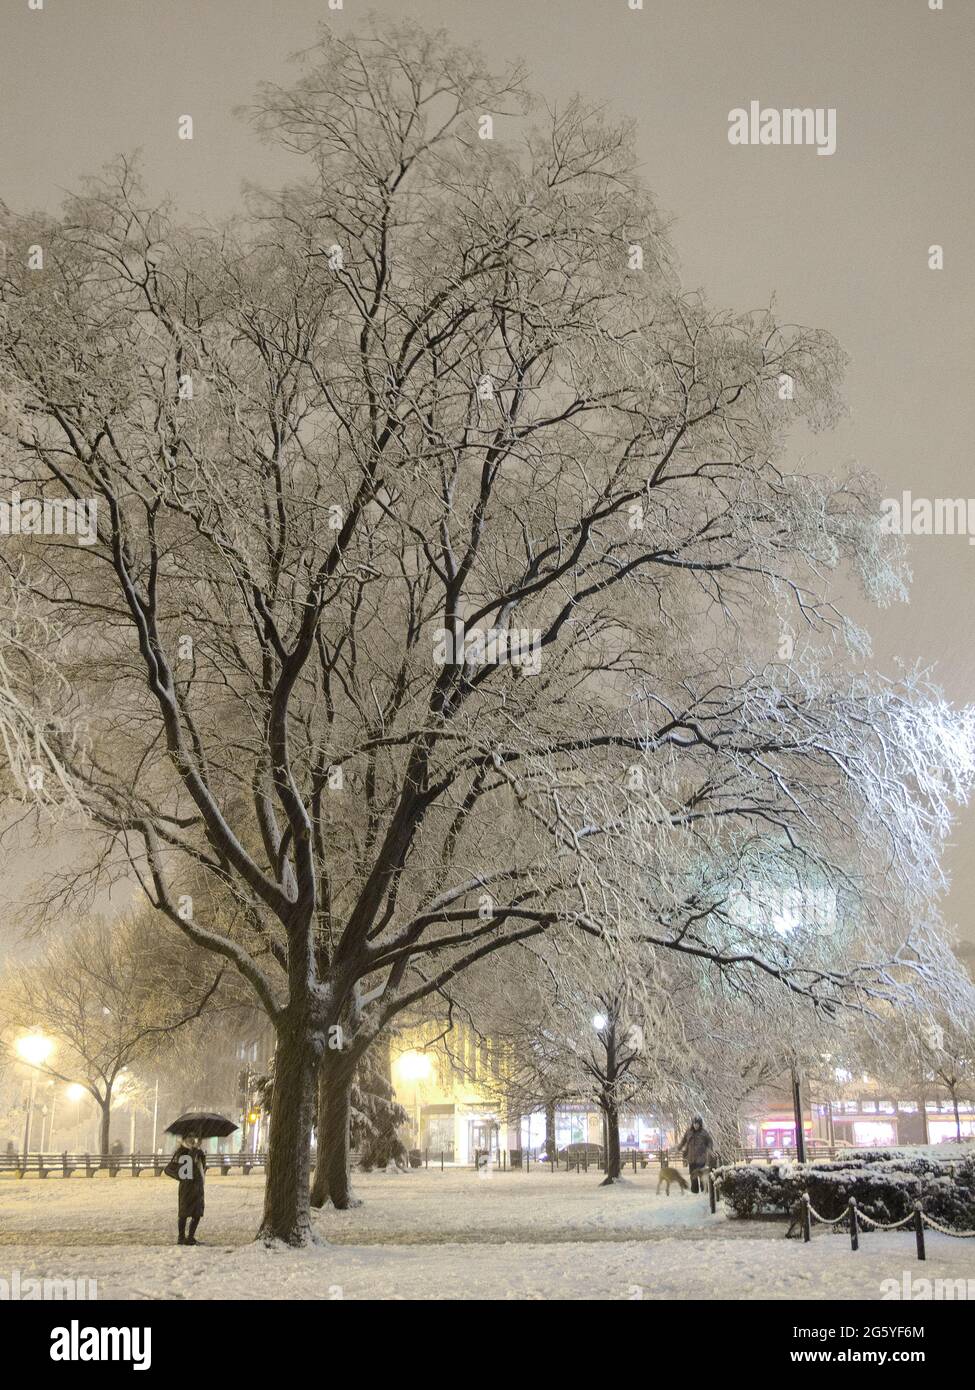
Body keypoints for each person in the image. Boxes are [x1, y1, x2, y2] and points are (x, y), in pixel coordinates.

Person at [164, 1136, 207, 1245]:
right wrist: (195, 1150)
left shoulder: (191, 1152)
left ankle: (187, 1237)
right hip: (191, 1186)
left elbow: (200, 1167)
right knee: (188, 1213)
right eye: (190, 1138)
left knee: (192, 1213)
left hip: (193, 1186)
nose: (192, 1140)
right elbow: (190, 1167)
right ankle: (185, 1237)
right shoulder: (187, 1152)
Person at [677, 1115, 715, 1194]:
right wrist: (679, 1147)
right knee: (693, 1176)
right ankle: (694, 1191)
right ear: (692, 1124)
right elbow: (683, 1141)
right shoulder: (689, 1132)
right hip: (691, 1159)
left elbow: (710, 1142)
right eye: (694, 1123)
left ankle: (703, 1190)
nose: (696, 1125)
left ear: (700, 1124)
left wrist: (710, 1149)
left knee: (701, 1176)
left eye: (697, 1124)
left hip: (701, 1159)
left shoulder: (704, 1133)